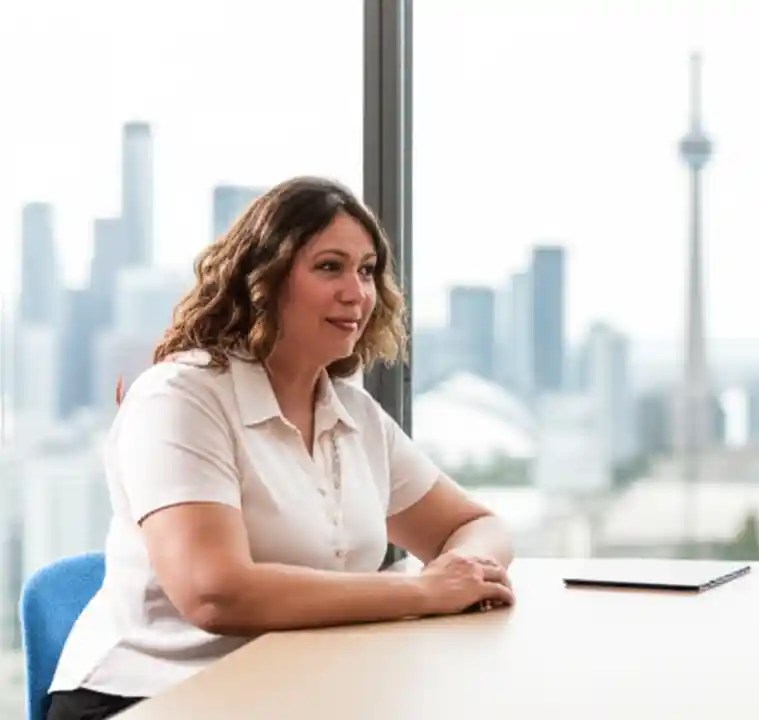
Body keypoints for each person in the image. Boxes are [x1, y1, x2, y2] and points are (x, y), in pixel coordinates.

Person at [46, 177, 516, 720]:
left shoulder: (354, 414)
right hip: (150, 697)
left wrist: (464, 572)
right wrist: (425, 593)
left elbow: (476, 524)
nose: (357, 293)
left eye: (367, 271)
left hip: (297, 689)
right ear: (263, 279)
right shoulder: (181, 397)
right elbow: (214, 593)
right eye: (329, 267)